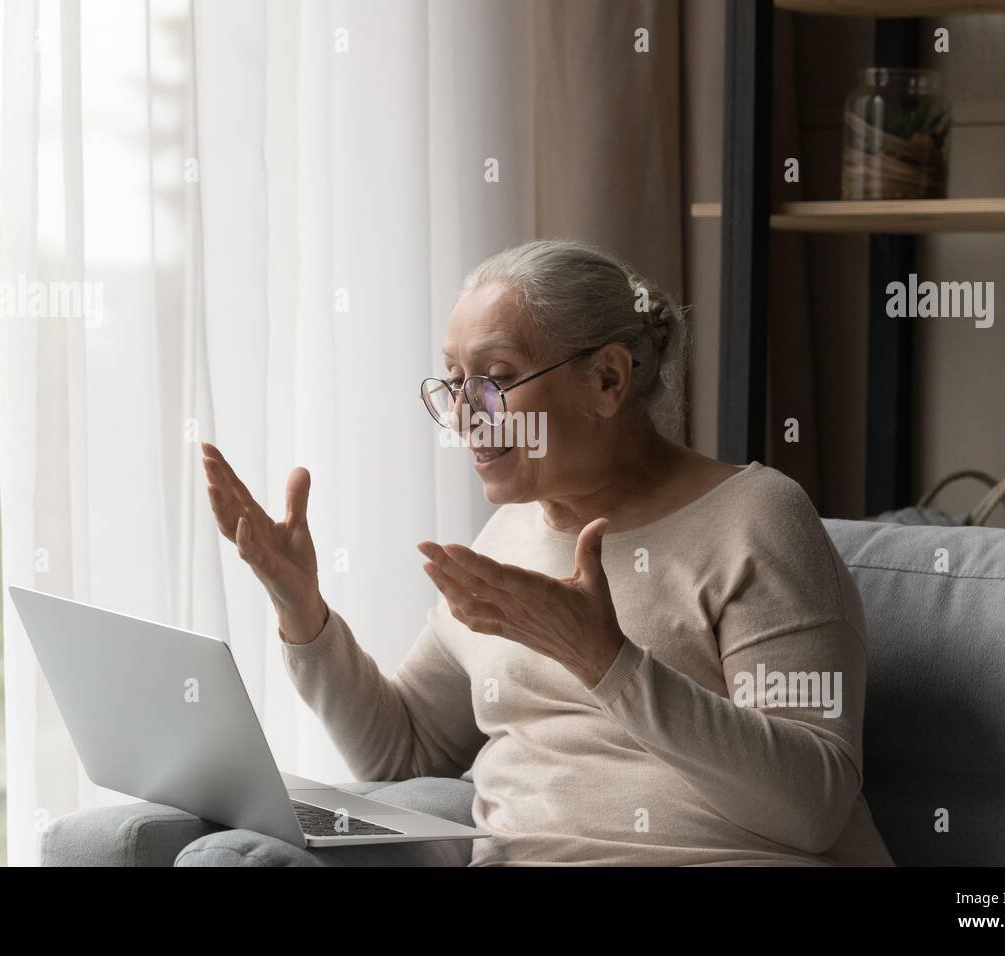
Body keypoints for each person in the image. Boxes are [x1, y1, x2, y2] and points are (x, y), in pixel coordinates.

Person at [201, 238, 895, 866]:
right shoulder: (510, 536)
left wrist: (606, 661)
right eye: (452, 380)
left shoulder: (757, 517)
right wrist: (304, 611)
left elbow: (814, 807)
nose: (464, 415)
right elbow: (400, 751)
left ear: (607, 382)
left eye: (495, 379)